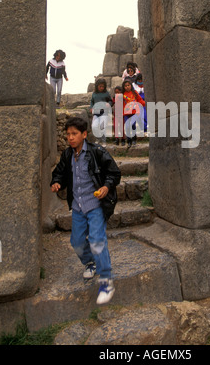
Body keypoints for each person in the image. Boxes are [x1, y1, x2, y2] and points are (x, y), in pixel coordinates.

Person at [50, 116, 121, 305]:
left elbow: (114, 172)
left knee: (97, 240)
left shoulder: (97, 152)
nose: (70, 138)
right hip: (78, 206)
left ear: (84, 134)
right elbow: (60, 172)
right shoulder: (67, 155)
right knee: (77, 241)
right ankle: (90, 263)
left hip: (95, 205)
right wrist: (56, 182)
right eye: (68, 135)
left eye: (74, 134)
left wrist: (106, 187)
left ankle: (106, 281)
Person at [90, 78, 113, 147]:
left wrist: (109, 104)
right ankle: (98, 138)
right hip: (96, 113)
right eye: (100, 86)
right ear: (97, 86)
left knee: (102, 126)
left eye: (103, 86)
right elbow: (92, 101)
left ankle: (103, 141)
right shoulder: (94, 93)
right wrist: (91, 107)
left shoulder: (106, 93)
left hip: (104, 113)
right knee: (94, 126)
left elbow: (111, 101)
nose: (101, 88)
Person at [122, 78, 145, 147]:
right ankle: (129, 140)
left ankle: (134, 138)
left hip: (134, 112)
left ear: (131, 85)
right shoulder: (122, 94)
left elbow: (139, 99)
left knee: (133, 125)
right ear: (123, 87)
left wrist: (144, 103)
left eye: (128, 85)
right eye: (125, 86)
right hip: (126, 113)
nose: (127, 87)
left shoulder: (134, 92)